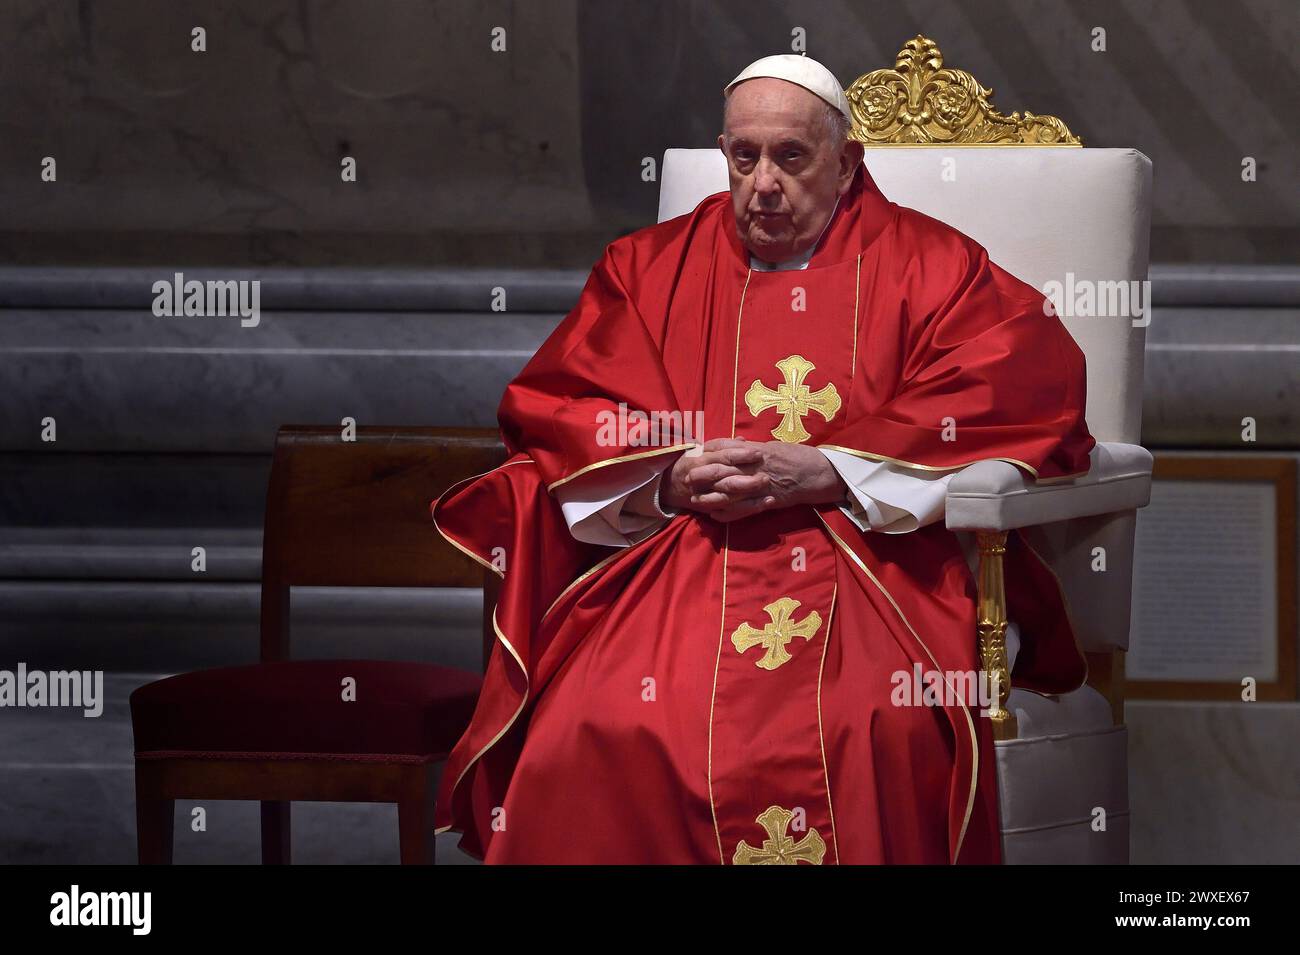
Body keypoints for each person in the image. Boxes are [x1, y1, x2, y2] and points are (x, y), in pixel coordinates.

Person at [432, 54, 1095, 864]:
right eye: (743, 157)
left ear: (847, 163)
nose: (763, 184)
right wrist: (665, 479)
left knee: (875, 723)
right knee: (596, 717)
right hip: (685, 559)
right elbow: (566, 406)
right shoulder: (647, 268)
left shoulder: (933, 265)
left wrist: (836, 469)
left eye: (791, 157)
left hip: (868, 561)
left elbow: (1026, 375)